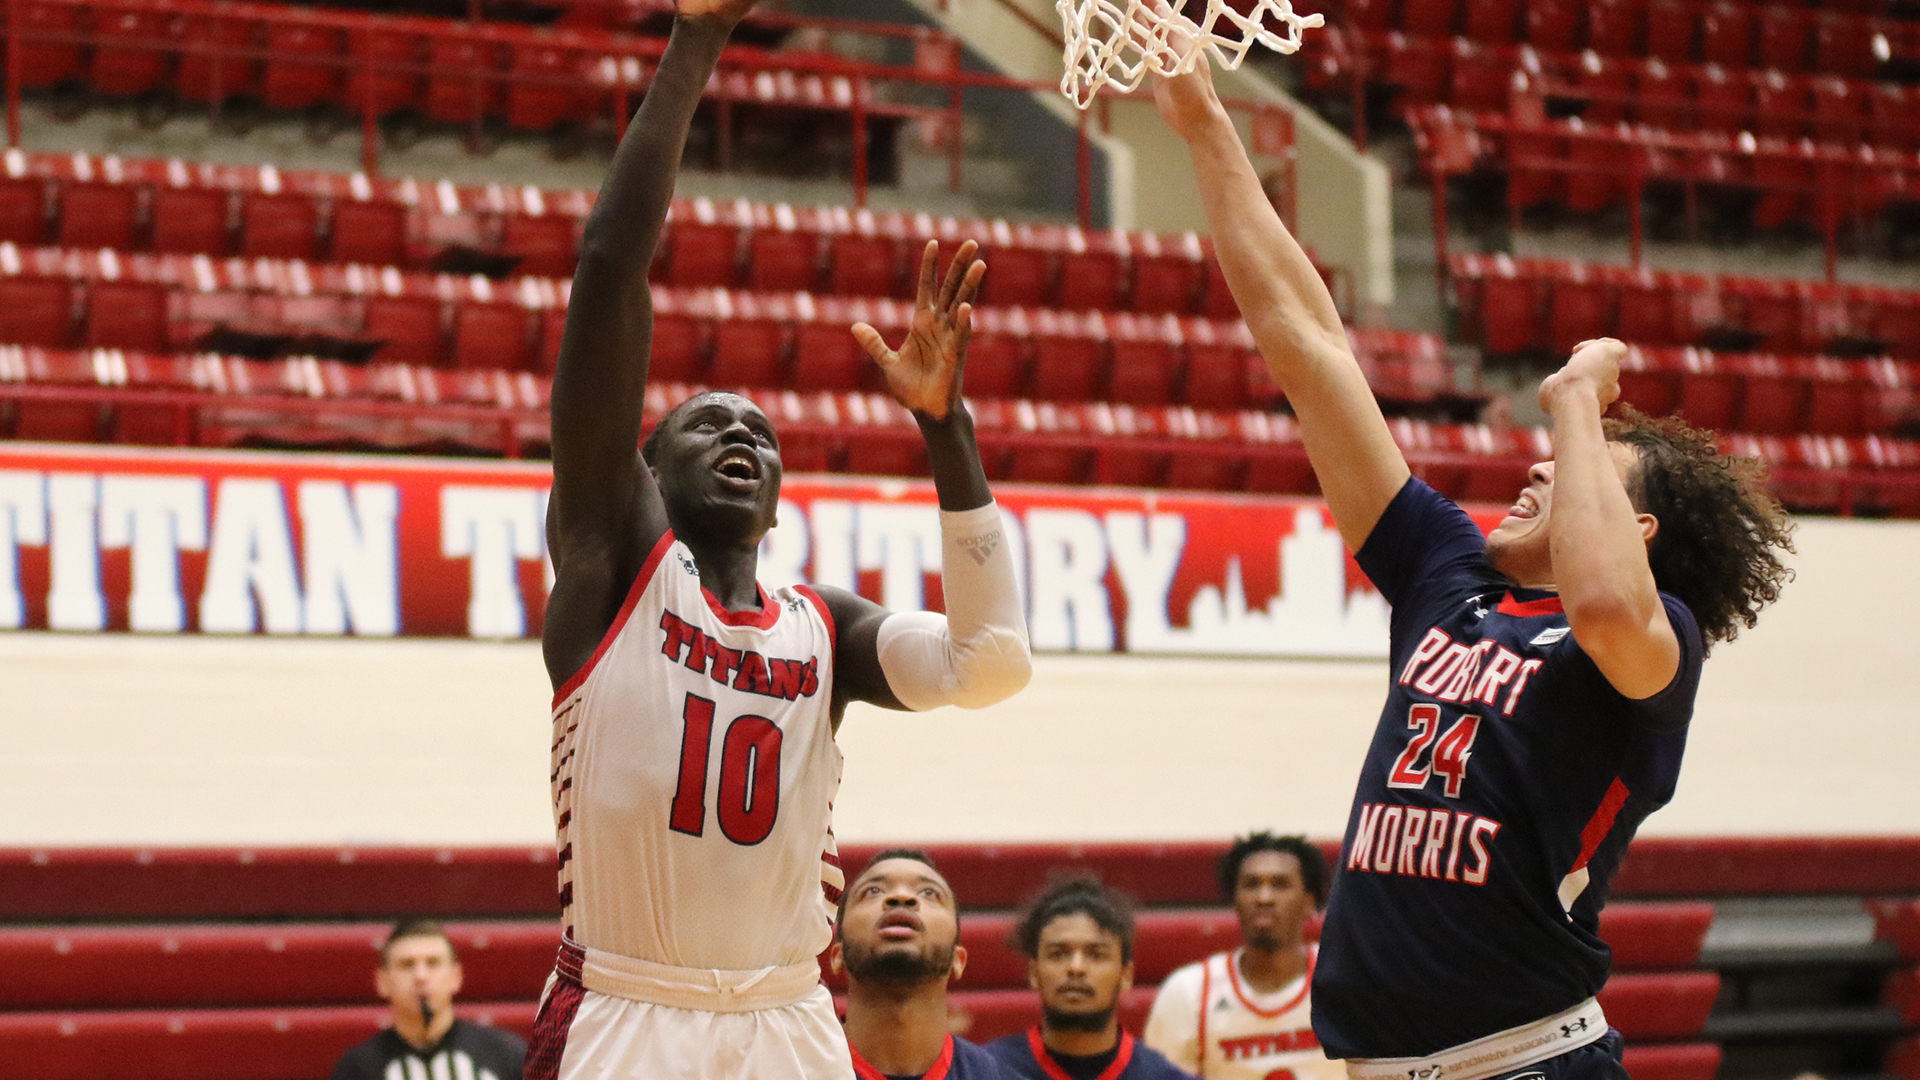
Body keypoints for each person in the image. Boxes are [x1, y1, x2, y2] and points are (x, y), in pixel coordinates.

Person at [1145, 16, 1794, 1080]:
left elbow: (1606, 602)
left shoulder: (1654, 647)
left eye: (1575, 470)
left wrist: (1577, 399)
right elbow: (1309, 349)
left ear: (1636, 533)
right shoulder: (1447, 575)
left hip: (1529, 1062)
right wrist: (1206, 123)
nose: (1538, 468)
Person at [528, 0, 1032, 1074]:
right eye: (708, 424)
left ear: (777, 496)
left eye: (760, 432)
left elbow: (993, 665)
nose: (740, 436)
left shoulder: (823, 628)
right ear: (646, 471)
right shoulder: (613, 565)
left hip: (790, 1018)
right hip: (628, 1010)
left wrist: (947, 431)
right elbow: (610, 268)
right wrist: (698, 39)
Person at [1145, 834, 1341, 1080]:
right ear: (1235, 901)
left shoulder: (1344, 979)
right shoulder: (1188, 991)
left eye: (1280, 884)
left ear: (1309, 902)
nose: (1264, 898)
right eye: (1251, 885)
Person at [988, 879, 1194, 1080]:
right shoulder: (985, 1071)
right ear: (1034, 973)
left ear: (1125, 975)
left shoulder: (1163, 1076)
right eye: (1058, 954)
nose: (1076, 968)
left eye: (1096, 955)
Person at [831, 849, 1007, 1080]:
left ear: (958, 961)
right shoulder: (793, 1069)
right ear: (838, 955)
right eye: (873, 891)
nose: (901, 897)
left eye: (929, 893)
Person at [330, 919, 526, 1080]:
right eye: (407, 965)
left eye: (433, 963)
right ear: (382, 982)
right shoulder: (357, 1068)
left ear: (456, 977)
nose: (421, 976)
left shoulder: (506, 1054)